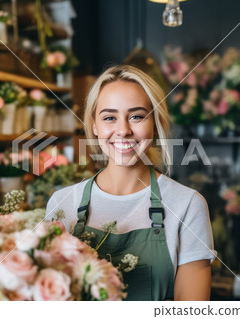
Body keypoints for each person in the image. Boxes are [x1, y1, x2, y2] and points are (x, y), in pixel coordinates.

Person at [46, 65, 215, 301]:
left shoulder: (187, 205)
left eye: (136, 116)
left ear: (155, 124)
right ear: (94, 125)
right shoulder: (62, 202)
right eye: (109, 118)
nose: (123, 130)